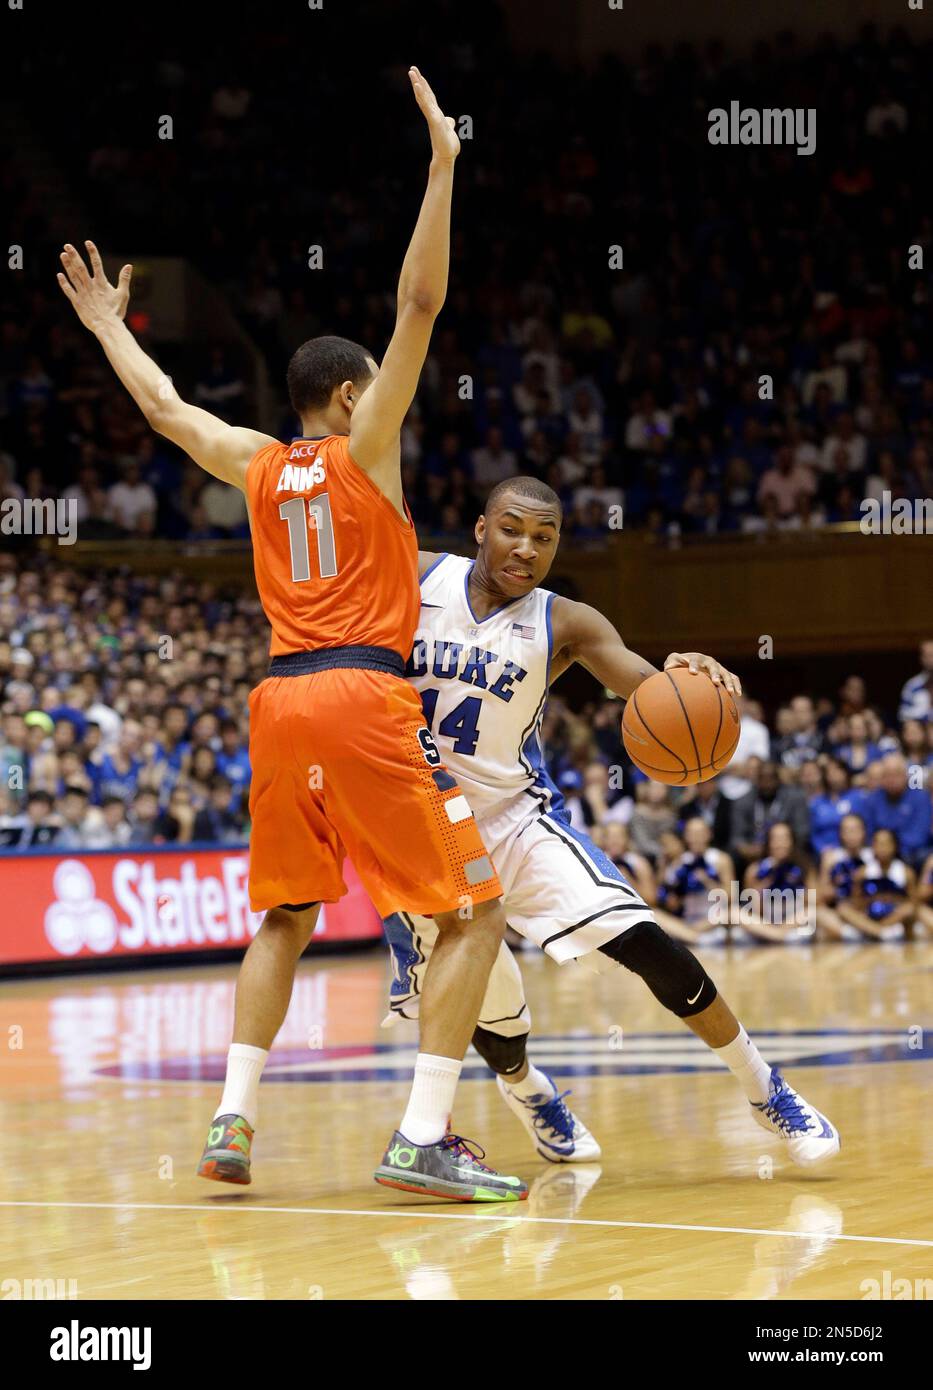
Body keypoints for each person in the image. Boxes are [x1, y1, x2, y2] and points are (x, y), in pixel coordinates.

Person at [58, 69, 528, 1204]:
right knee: (472, 909)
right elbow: (419, 307)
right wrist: (443, 170)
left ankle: (232, 1119)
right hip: (366, 694)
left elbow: (166, 409)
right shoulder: (370, 449)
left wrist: (109, 329)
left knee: (286, 912)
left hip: (278, 703)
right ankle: (423, 1134)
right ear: (355, 397)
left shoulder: (259, 462)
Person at [382, 478, 839, 1169]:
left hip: (514, 821)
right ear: (479, 529)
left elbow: (647, 689)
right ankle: (528, 1089)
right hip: (415, 829)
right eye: (511, 530)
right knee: (487, 1010)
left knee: (643, 941)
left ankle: (762, 1087)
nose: (525, 548)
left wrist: (684, 677)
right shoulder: (414, 574)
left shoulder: (565, 621)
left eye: (544, 537)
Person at [836, 828, 916, 942]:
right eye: (878, 844)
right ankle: (881, 932)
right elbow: (856, 902)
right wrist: (870, 901)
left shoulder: (906, 872)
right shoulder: (862, 873)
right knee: (843, 908)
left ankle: (873, 931)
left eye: (886, 844)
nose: (882, 848)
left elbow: (913, 902)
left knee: (909, 909)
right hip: (869, 915)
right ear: (872, 846)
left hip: (894, 917)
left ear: (895, 846)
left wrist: (893, 900)